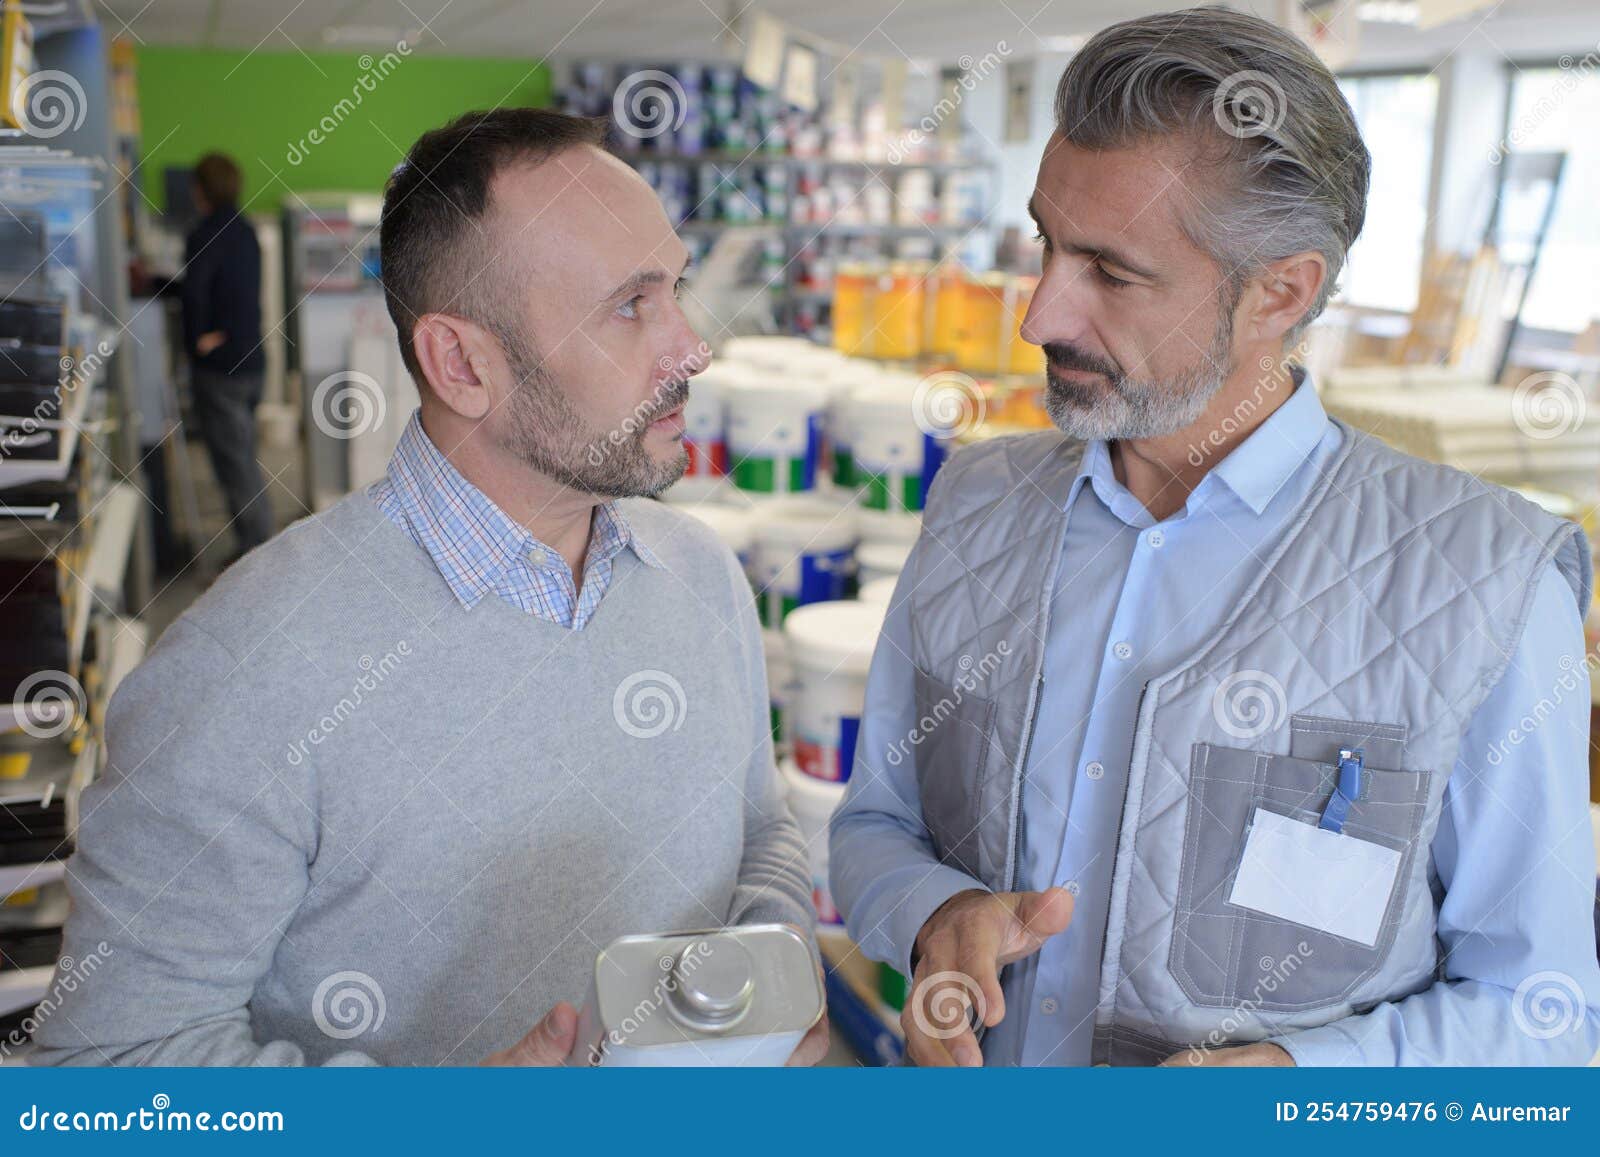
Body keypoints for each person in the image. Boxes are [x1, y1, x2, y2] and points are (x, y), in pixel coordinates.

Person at [831, 7, 1600, 1067]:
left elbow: (1544, 1008)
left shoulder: (1486, 583)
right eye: (1046, 245)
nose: (1040, 316)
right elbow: (873, 821)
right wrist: (932, 910)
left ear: (1280, 292)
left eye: (1110, 271)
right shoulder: (974, 504)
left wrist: (1298, 1081)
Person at [32, 109, 824, 1066]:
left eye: (677, 290)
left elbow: (758, 826)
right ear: (461, 363)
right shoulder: (240, 670)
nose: (693, 349)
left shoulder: (701, 574)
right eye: (630, 305)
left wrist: (770, 974)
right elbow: (104, 1077)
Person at [182, 152, 273, 559]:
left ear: (200, 190)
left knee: (235, 466)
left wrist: (199, 339)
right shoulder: (247, 231)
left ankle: (259, 553)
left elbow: (196, 294)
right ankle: (256, 545)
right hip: (252, 360)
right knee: (245, 456)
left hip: (221, 371)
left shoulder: (204, 234)